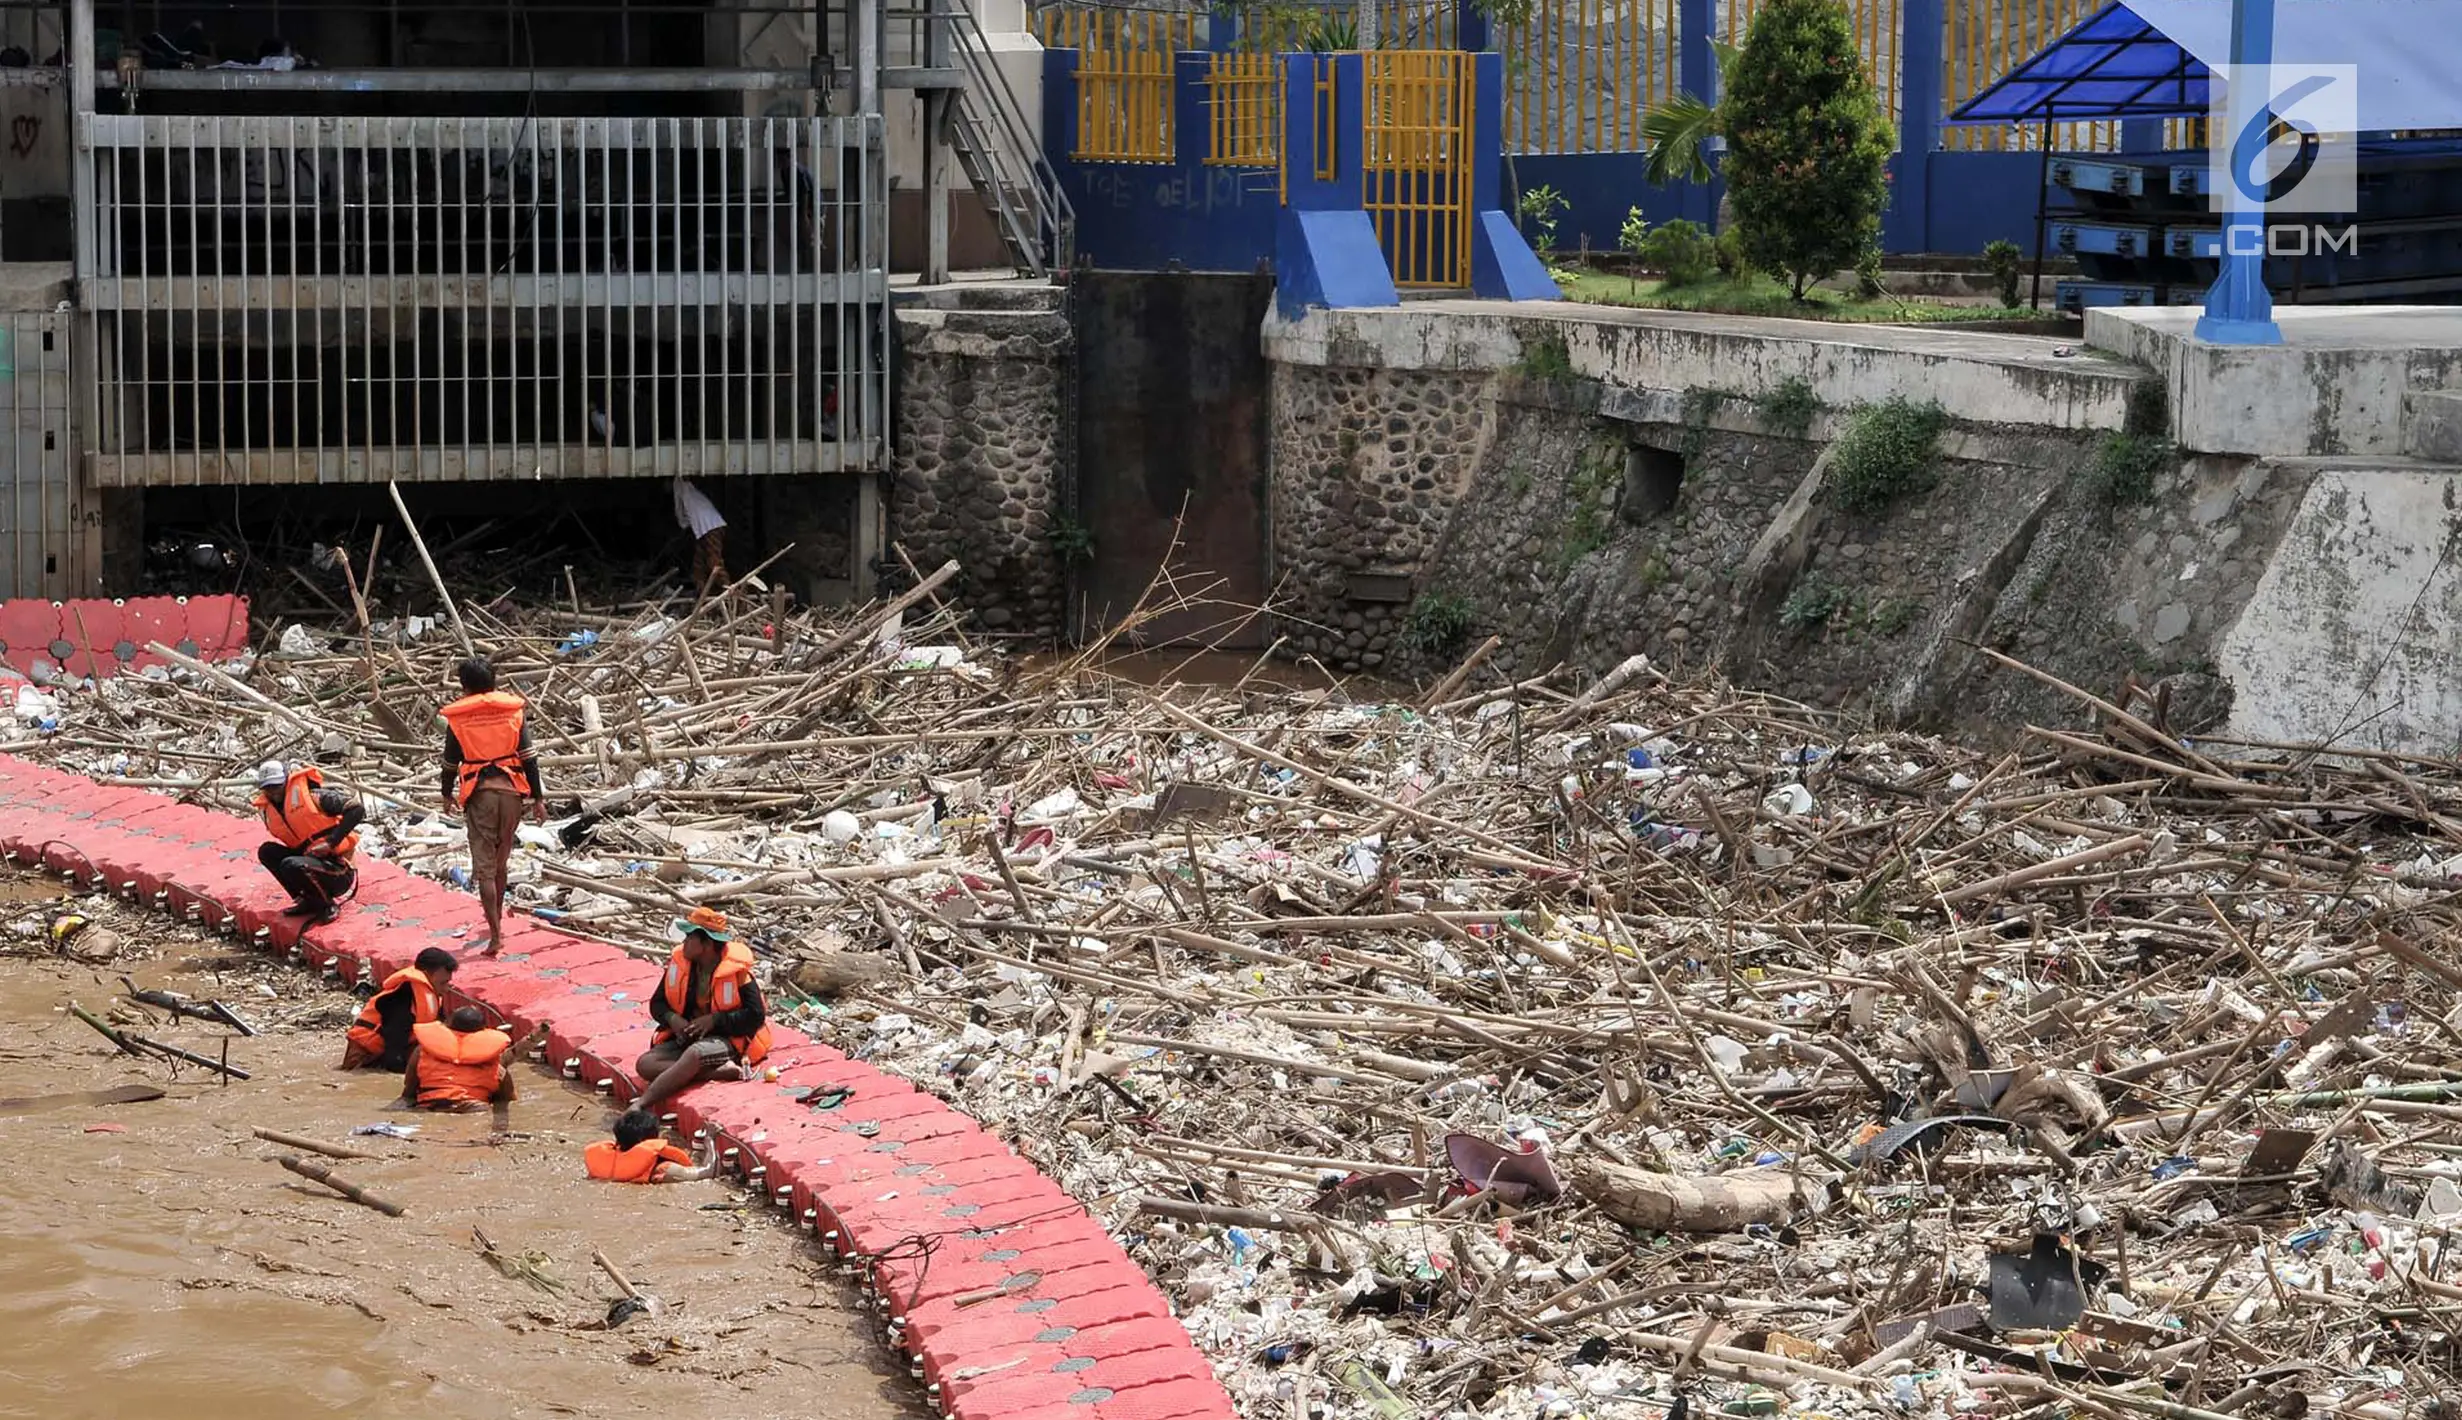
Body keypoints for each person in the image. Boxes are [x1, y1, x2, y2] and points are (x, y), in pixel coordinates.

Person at [439, 657, 545, 955]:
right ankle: (496, 918)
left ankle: (496, 936)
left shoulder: (459, 718)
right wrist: (538, 799)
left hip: (481, 794)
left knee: (484, 870)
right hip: (512, 792)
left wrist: (446, 794)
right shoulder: (512, 713)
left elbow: (449, 763)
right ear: (493, 682)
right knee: (500, 864)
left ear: (465, 686)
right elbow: (529, 757)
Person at [633, 907, 772, 1115]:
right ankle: (715, 1072)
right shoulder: (681, 965)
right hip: (690, 1035)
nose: (684, 942)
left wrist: (715, 1020)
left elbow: (755, 1016)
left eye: (690, 937)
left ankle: (641, 1104)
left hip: (726, 1039)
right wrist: (673, 1019)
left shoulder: (739, 974)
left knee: (694, 1054)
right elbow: (657, 1004)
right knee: (645, 1064)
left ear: (706, 944)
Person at [253, 759, 363, 924]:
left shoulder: (314, 796)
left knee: (292, 864)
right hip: (309, 861)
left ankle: (327, 905)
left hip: (338, 869)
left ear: (286, 781)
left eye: (276, 786)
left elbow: (357, 809)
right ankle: (307, 900)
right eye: (268, 788)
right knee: (267, 851)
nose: (273, 792)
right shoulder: (269, 810)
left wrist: (331, 842)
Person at [341, 946, 458, 1071]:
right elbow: (393, 1055)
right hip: (365, 1054)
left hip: (397, 1045)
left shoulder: (429, 994)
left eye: (447, 983)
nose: (446, 989)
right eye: (442, 983)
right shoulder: (401, 1000)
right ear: (426, 975)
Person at [401, 1005, 516, 1115]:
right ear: (483, 1030)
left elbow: (409, 1092)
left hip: (429, 1105)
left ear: (448, 1026)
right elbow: (507, 1098)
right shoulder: (492, 1055)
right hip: (473, 1108)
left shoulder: (422, 1050)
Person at [584, 1108, 717, 1183]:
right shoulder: (663, 1170)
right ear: (648, 1139)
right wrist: (710, 1140)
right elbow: (709, 1172)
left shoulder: (601, 1163)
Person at [672, 477, 727, 592]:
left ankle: (728, 592)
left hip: (711, 526)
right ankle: (702, 595)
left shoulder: (679, 486)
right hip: (702, 529)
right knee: (698, 566)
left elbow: (680, 512)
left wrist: (682, 526)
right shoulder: (690, 490)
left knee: (714, 562)